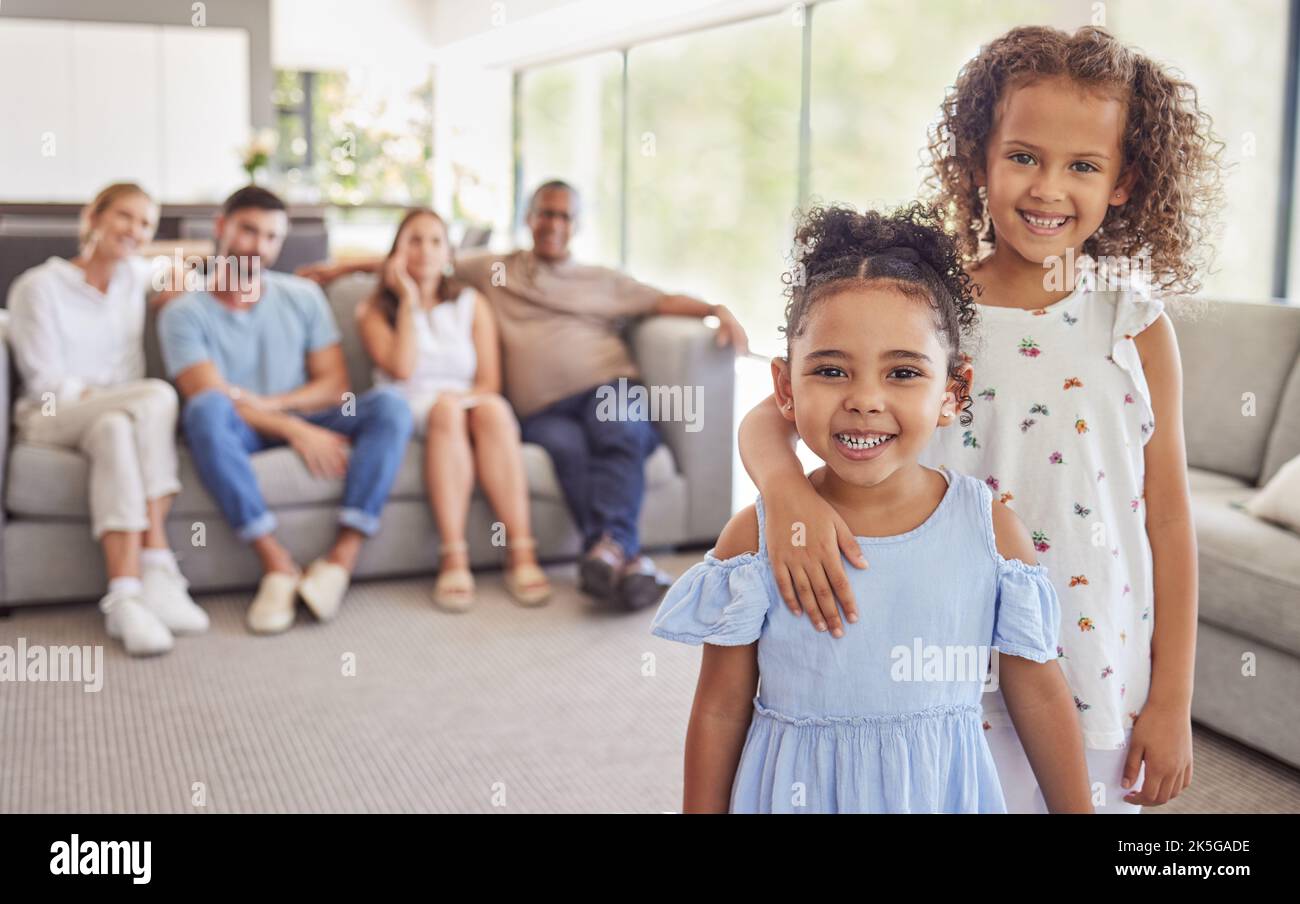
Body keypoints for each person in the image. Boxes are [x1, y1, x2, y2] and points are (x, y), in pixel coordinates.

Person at [737, 26, 1220, 812]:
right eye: (1024, 156)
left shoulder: (1134, 325)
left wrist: (1173, 699)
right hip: (940, 660)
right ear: (978, 160)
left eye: (1083, 167)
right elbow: (772, 416)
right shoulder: (930, 309)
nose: (1048, 189)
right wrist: (789, 500)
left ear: (1125, 182)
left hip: (1096, 656)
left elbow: (1167, 516)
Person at [652, 203, 1092, 813]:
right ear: (784, 388)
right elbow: (721, 708)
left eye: (904, 372)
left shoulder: (989, 533)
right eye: (831, 370)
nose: (864, 400)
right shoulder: (753, 538)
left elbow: (1040, 696)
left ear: (952, 393)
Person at [299, 180, 749, 611]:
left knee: (618, 428)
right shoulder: (495, 270)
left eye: (564, 216)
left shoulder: (600, 279)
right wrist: (341, 268)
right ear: (528, 218)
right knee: (567, 451)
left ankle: (610, 550)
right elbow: (417, 258)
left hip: (605, 389)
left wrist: (714, 309)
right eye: (545, 214)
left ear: (577, 225)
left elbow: (662, 301)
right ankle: (617, 558)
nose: (554, 223)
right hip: (544, 410)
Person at [158, 186, 413, 635]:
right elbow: (210, 393)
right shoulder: (182, 311)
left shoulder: (302, 296)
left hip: (295, 411)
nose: (258, 246)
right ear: (221, 227)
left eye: (271, 237)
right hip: (238, 427)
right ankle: (277, 566)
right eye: (248, 231)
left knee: (390, 404)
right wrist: (294, 431)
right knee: (206, 412)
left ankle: (339, 563)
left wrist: (279, 409)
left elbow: (334, 386)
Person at [7, 182, 208, 656]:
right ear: (93, 218)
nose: (135, 231)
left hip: (114, 415)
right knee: (156, 397)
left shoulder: (135, 279)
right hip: (50, 414)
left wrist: (181, 279)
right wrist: (110, 396)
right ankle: (157, 559)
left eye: (145, 224)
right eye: (125, 217)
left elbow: (195, 272)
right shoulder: (39, 287)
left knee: (117, 428)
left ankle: (125, 597)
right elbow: (44, 383)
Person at [357, 208, 550, 610]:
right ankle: (453, 555)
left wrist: (462, 401)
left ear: (448, 252)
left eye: (434, 241)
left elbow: (488, 382)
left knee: (494, 409)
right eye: (413, 240)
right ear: (397, 251)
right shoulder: (374, 310)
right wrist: (409, 299)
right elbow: (402, 369)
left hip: (465, 402)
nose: (424, 251)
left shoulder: (470, 303)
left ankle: (521, 550)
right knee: (445, 410)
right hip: (407, 408)